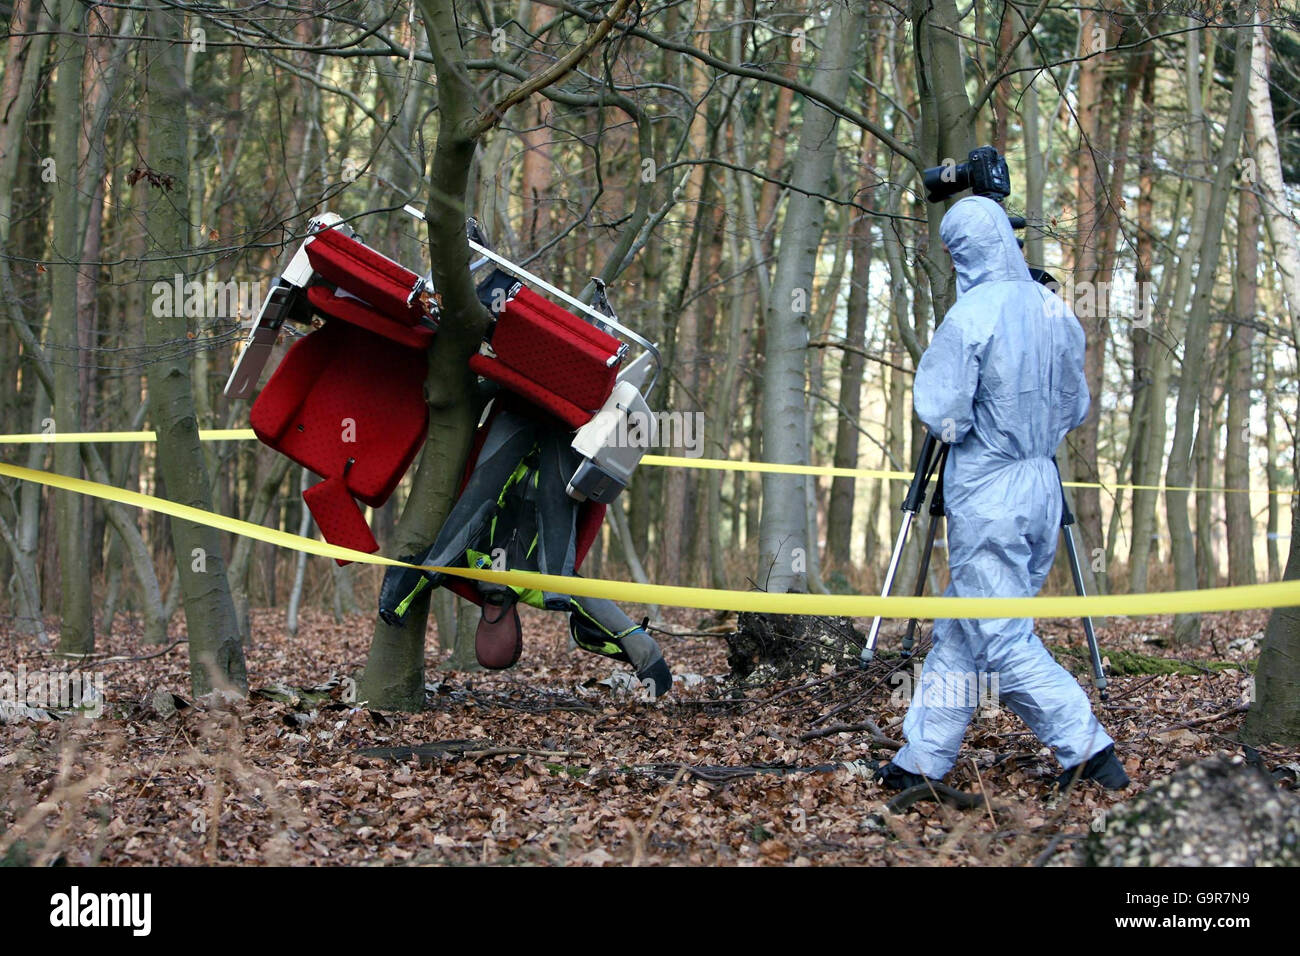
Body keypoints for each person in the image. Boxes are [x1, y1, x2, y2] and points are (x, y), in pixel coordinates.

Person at [876, 195, 1128, 793]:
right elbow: (1076, 405)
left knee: (1000, 636)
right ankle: (922, 762)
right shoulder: (1053, 307)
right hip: (1042, 483)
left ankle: (1087, 747)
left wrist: (979, 434)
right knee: (963, 631)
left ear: (961, 251)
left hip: (988, 488)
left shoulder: (971, 315)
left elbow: (942, 414)